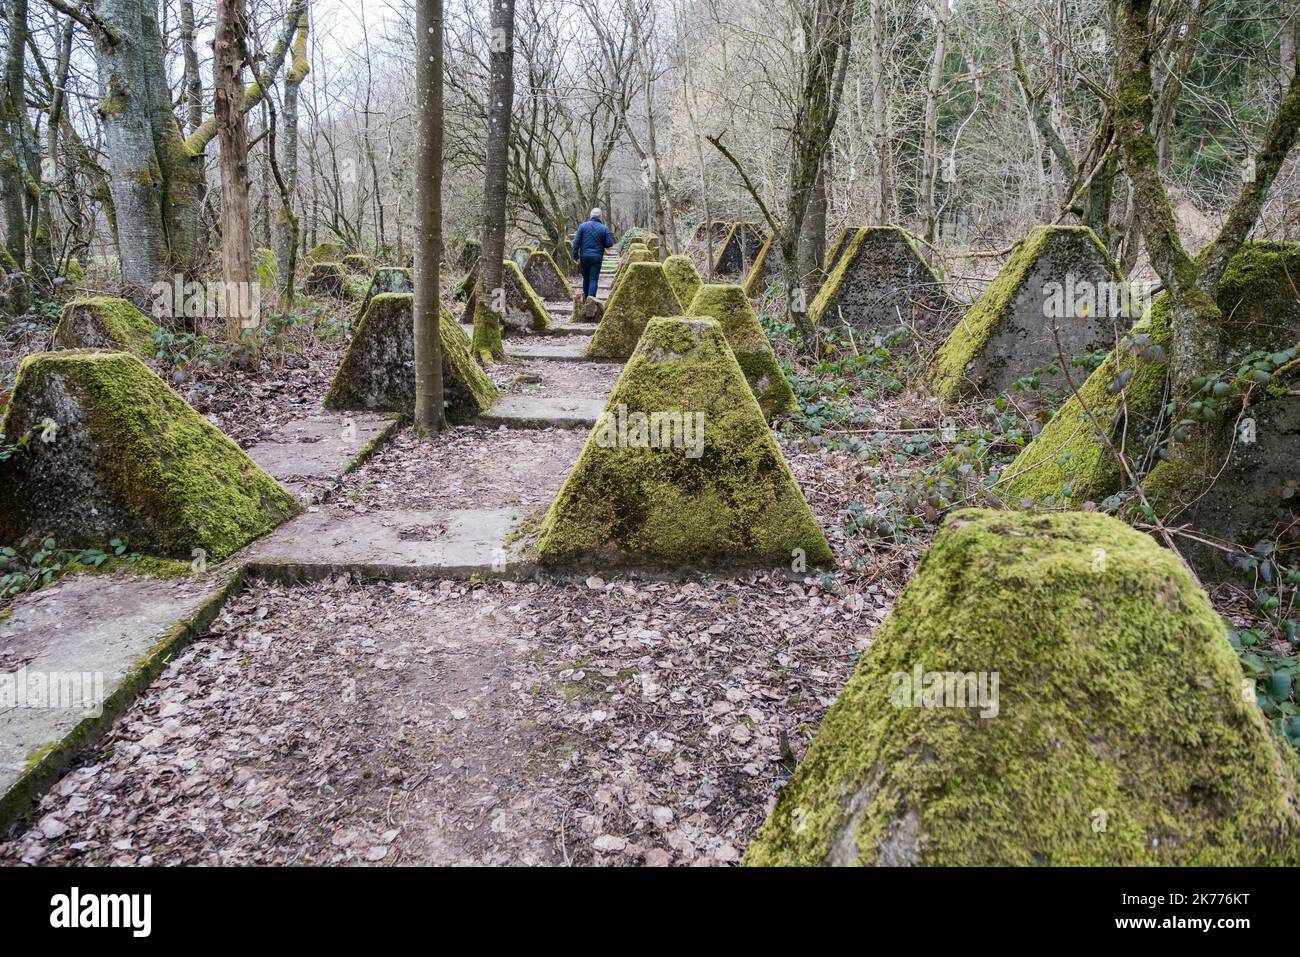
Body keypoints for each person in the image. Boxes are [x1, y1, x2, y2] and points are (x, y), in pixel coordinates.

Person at [571, 208, 614, 312]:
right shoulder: (604, 228)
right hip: (596, 257)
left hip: (584, 257)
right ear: (600, 217)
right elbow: (609, 243)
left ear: (591, 216)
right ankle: (591, 304)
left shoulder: (582, 226)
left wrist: (575, 256)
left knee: (586, 279)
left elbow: (576, 242)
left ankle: (586, 300)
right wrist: (601, 243)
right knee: (594, 279)